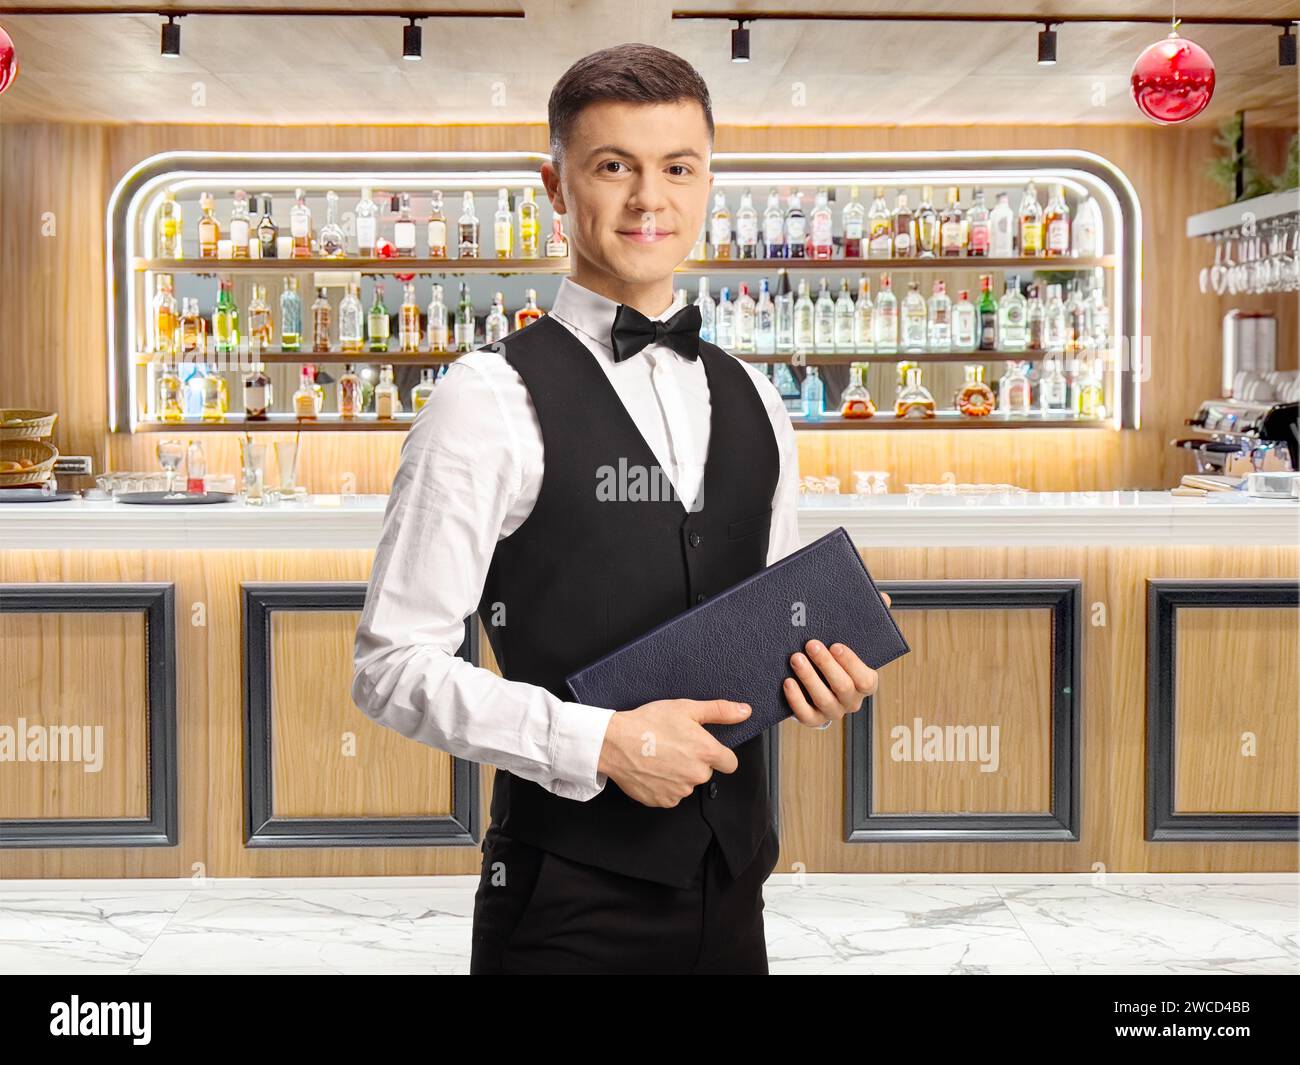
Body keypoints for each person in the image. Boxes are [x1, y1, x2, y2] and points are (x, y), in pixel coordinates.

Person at [352, 42, 889, 975]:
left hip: (736, 884)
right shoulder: (485, 398)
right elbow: (391, 665)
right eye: (614, 167)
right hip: (567, 898)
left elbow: (772, 624)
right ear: (555, 190)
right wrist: (599, 740)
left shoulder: (756, 397)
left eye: (678, 167)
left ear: (708, 182)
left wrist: (817, 677)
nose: (651, 199)